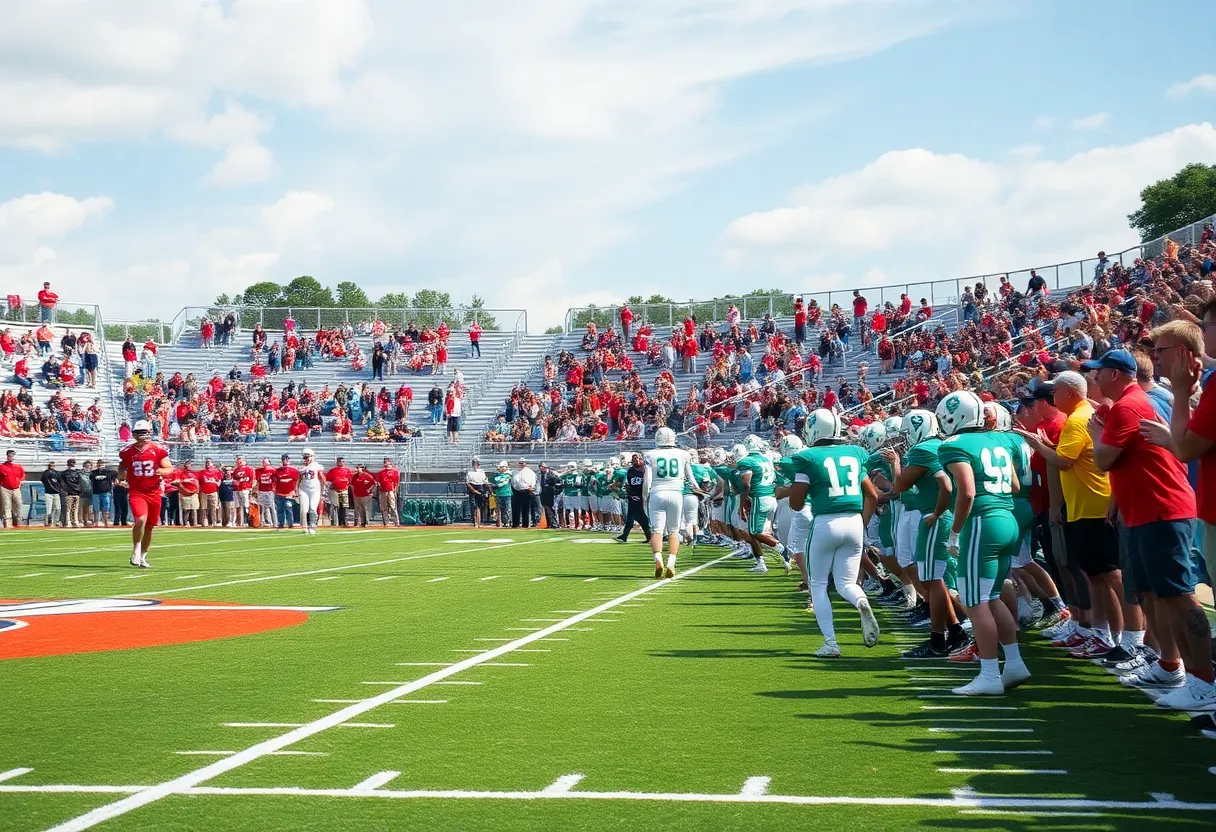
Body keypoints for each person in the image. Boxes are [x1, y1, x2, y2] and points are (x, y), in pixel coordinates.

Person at [1085, 347, 1212, 710]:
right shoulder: (1122, 404)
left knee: (1177, 594)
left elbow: (1103, 460)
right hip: (1145, 510)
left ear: (1114, 374)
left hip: (1162, 509)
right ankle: (1171, 666)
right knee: (1154, 594)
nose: (1094, 378)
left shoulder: (1128, 404)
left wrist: (1097, 436)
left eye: (1099, 372)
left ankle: (1203, 680)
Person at [935, 390, 1029, 696]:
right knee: (990, 598)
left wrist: (955, 533)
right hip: (1007, 518)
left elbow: (968, 492)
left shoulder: (954, 444)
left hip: (982, 523)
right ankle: (1013, 663)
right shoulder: (1000, 439)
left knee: (975, 602)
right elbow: (1014, 485)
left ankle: (989, 674)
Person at [788, 409, 880, 657]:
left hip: (825, 523)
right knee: (846, 583)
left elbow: (796, 504)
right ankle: (860, 601)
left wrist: (803, 490)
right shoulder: (854, 453)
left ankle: (830, 642)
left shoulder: (807, 457)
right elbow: (872, 495)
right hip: (854, 523)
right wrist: (863, 523)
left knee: (818, 585)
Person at [886, 411, 966, 659]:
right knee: (935, 580)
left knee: (933, 580)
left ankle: (937, 640)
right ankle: (954, 631)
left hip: (934, 517)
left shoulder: (921, 451)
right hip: (945, 516)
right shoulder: (944, 444)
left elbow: (901, 487)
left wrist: (895, 464)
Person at [116, 419, 173, 567]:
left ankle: (142, 556)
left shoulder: (158, 450)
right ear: (134, 434)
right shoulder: (127, 451)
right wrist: (121, 475)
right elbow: (121, 468)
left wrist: (160, 471)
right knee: (140, 519)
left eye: (144, 432)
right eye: (138, 433)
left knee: (150, 526)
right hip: (137, 491)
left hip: (154, 492)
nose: (141, 435)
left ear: (149, 433)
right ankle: (136, 548)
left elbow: (169, 468)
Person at [644, 427, 698, 578]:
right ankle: (671, 563)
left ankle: (658, 559)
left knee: (657, 530)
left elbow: (647, 479)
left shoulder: (650, 455)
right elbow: (690, 477)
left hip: (656, 492)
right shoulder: (683, 454)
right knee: (673, 531)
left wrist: (644, 497)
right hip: (675, 493)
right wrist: (698, 489)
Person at [736, 434, 788, 574]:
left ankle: (782, 550)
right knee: (757, 533)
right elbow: (779, 479)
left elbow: (746, 485)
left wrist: (741, 506)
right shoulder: (767, 459)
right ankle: (761, 563)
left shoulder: (746, 461)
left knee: (755, 531)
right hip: (770, 497)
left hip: (760, 498)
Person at [614, 454, 651, 543]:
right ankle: (625, 536)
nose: (637, 460)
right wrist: (630, 494)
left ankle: (625, 536)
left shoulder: (647, 470)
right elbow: (630, 485)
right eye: (634, 459)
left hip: (643, 496)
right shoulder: (630, 471)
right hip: (633, 496)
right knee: (635, 517)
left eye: (638, 458)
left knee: (641, 518)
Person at [297, 448, 325, 534]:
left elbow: (322, 478)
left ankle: (312, 526)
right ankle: (304, 526)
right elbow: (298, 480)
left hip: (315, 490)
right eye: (304, 457)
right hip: (304, 489)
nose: (305, 459)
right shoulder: (302, 468)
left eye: (307, 457)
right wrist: (296, 490)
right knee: (303, 509)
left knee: (312, 508)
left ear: (312, 457)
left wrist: (323, 490)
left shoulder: (317, 466)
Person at [273, 454, 301, 530]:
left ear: (289, 460)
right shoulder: (277, 471)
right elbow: (275, 481)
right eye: (283, 459)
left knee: (288, 508)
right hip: (279, 493)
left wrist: (295, 491)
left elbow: (297, 481)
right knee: (280, 509)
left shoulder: (294, 471)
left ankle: (290, 523)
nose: (285, 461)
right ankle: (281, 523)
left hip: (289, 493)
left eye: (286, 459)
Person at [326, 456, 353, 528]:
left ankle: (344, 522)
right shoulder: (332, 470)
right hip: (335, 491)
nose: (341, 462)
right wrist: (331, 486)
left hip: (343, 490)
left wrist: (346, 487)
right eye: (339, 461)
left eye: (342, 461)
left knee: (344, 506)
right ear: (337, 462)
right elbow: (328, 480)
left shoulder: (347, 470)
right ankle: (335, 522)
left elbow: (350, 481)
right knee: (335, 506)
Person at [510, 458, 537, 528]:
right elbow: (513, 482)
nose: (521, 464)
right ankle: (515, 524)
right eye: (520, 463)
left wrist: (531, 487)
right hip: (517, 492)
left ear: (525, 463)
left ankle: (525, 524)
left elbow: (533, 482)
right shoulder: (514, 472)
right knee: (515, 508)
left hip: (526, 491)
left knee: (526, 509)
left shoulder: (530, 472)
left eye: (523, 463)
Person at [0, 450, 24, 528]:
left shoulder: (18, 467)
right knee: (6, 506)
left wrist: (20, 482)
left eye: (12, 455)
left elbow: (22, 476)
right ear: (7, 456)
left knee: (18, 504)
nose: (10, 457)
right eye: (9, 455)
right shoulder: (2, 466)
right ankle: (7, 522)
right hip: (5, 488)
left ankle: (16, 522)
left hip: (16, 488)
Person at [89, 458, 115, 528]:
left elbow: (116, 474)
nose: (100, 465)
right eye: (99, 464)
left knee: (105, 508)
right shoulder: (93, 472)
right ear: (97, 465)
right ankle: (96, 522)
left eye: (101, 463)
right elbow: (90, 479)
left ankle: (105, 521)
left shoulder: (108, 472)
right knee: (96, 508)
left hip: (105, 492)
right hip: (96, 492)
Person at [198, 458, 223, 527]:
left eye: (209, 462)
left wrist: (213, 482)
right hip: (204, 492)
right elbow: (200, 483)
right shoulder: (201, 472)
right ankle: (204, 521)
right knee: (204, 508)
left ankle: (214, 521)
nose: (208, 464)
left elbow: (219, 483)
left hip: (213, 492)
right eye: (207, 462)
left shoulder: (216, 472)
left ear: (212, 464)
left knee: (214, 507)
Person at [465, 457, 490, 528]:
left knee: (479, 506)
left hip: (480, 489)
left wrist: (488, 490)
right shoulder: (470, 472)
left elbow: (486, 482)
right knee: (474, 506)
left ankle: (479, 522)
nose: (476, 465)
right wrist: (473, 490)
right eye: (474, 463)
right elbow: (468, 483)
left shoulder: (482, 472)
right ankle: (475, 522)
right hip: (472, 490)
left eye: (477, 463)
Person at [375, 457, 400, 527]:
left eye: (387, 461)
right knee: (384, 507)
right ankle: (386, 522)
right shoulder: (381, 472)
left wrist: (395, 491)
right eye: (385, 462)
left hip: (391, 491)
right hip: (383, 491)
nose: (385, 463)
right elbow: (378, 482)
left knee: (393, 506)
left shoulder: (395, 472)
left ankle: (396, 521)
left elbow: (396, 483)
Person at [59, 458, 84, 528]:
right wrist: (65, 490)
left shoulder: (77, 473)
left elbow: (79, 482)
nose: (72, 464)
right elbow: (62, 483)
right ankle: (68, 521)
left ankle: (75, 521)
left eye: (73, 463)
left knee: (75, 509)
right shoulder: (64, 473)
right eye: (71, 463)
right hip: (68, 493)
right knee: (68, 508)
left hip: (76, 493)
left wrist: (79, 491)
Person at [231, 455, 255, 527]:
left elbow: (250, 479)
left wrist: (248, 486)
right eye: (237, 459)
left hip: (244, 489)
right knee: (238, 505)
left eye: (240, 459)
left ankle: (247, 521)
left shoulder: (248, 469)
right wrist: (235, 481)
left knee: (246, 505)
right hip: (237, 489)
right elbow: (234, 478)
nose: (238, 461)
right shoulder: (236, 469)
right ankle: (239, 522)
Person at [176, 461, 200, 527]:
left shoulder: (195, 473)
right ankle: (185, 523)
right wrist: (184, 481)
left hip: (194, 493)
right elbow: (177, 481)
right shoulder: (181, 474)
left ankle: (195, 523)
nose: (187, 466)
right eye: (186, 465)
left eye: (189, 465)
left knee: (194, 509)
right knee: (186, 509)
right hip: (185, 493)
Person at [255, 458, 277, 529]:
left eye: (265, 462)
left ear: (269, 463)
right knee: (261, 507)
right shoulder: (259, 471)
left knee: (272, 507)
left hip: (269, 491)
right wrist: (257, 490)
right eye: (263, 462)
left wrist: (273, 489)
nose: (264, 463)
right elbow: (258, 481)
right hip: (261, 491)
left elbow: (275, 480)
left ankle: (275, 523)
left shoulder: (273, 470)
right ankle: (260, 522)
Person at [490, 461, 513, 527]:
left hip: (506, 494)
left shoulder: (508, 475)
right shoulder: (496, 476)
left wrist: (495, 486)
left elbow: (502, 483)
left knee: (507, 509)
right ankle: (500, 522)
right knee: (499, 509)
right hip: (499, 494)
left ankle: (508, 522)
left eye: (501, 467)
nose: (500, 468)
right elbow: (488, 481)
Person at [40, 461, 62, 527]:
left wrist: (58, 489)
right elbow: (43, 480)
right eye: (51, 465)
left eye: (53, 465)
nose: (52, 467)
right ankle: (48, 522)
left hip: (56, 493)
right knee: (48, 509)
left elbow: (59, 482)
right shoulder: (46, 473)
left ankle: (55, 521)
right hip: (48, 493)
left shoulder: (57, 473)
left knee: (57, 508)